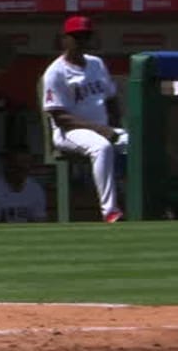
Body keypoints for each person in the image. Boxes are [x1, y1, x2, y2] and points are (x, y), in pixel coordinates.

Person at [41, 16, 125, 223]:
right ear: (65, 39)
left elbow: (111, 99)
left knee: (138, 144)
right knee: (102, 147)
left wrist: (117, 127)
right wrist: (101, 129)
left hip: (102, 128)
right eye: (76, 36)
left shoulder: (96, 64)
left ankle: (151, 205)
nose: (81, 41)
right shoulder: (55, 72)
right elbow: (60, 117)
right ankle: (110, 211)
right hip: (69, 132)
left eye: (85, 36)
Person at [0, 147, 49, 223]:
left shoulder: (36, 189)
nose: (21, 171)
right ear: (8, 166)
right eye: (18, 167)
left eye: (26, 167)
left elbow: (40, 221)